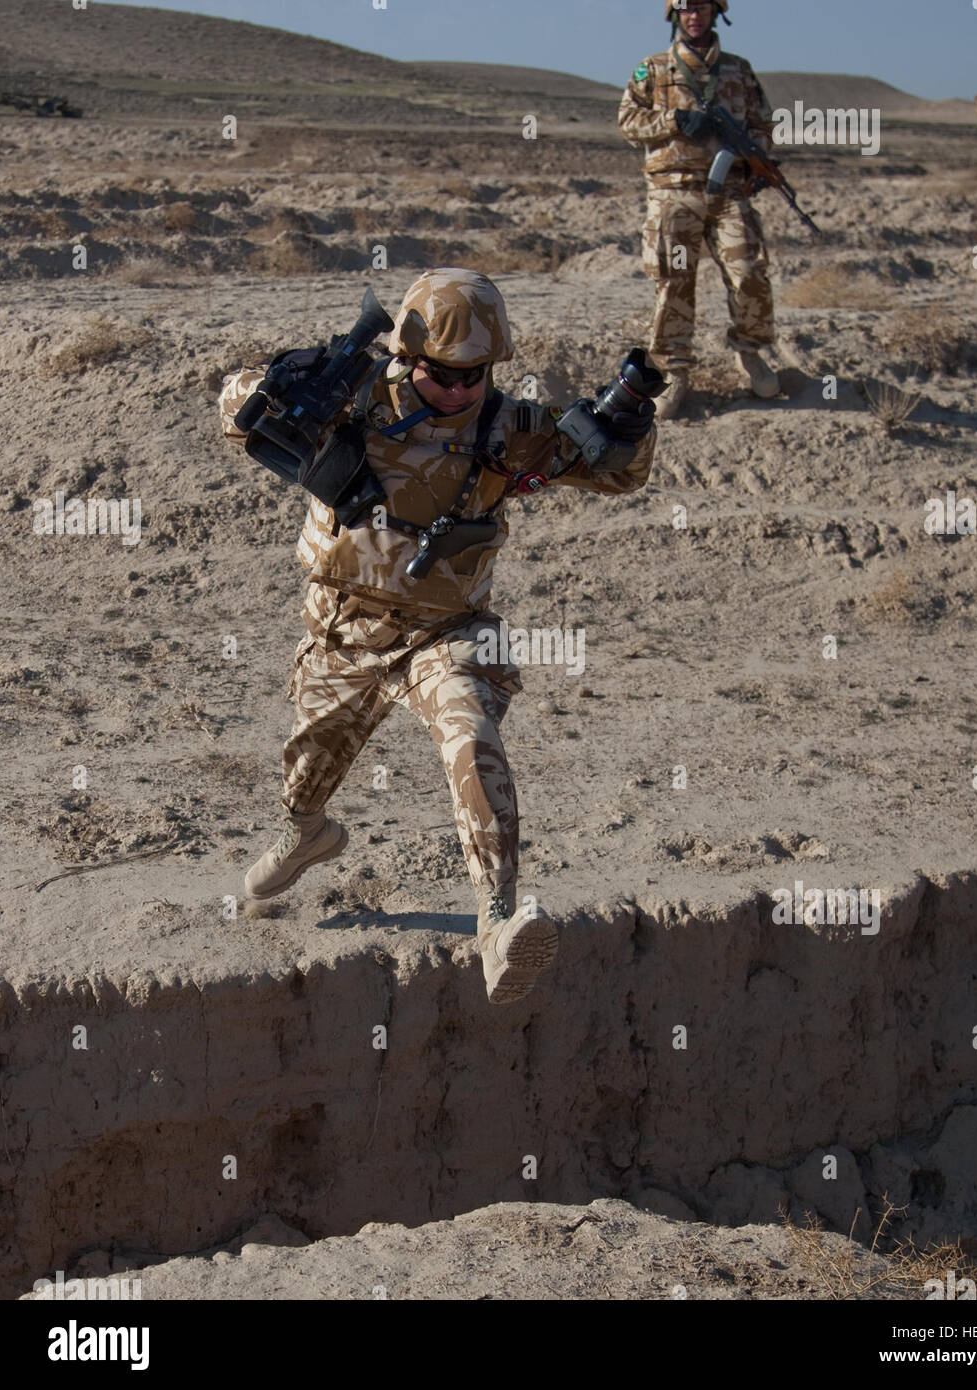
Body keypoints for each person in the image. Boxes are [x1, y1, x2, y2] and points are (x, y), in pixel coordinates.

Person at [218, 268, 658, 1004]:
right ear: (408, 357)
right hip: (344, 631)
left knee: (472, 734)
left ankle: (499, 920)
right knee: (306, 775)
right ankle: (308, 834)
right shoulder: (353, 400)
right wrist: (292, 376)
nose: (457, 390)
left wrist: (633, 427)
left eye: (474, 375)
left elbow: (620, 476)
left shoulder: (511, 430)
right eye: (442, 374)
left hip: (447, 632)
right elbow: (235, 416)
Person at [619, 0, 780, 417]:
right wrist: (673, 120)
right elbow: (628, 121)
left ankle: (749, 353)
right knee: (674, 282)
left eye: (703, 8)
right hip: (674, 192)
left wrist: (758, 158)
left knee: (750, 274)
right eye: (687, 9)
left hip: (728, 192)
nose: (695, 16)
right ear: (675, 14)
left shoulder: (738, 69)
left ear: (715, 12)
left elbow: (763, 123)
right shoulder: (653, 69)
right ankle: (673, 373)